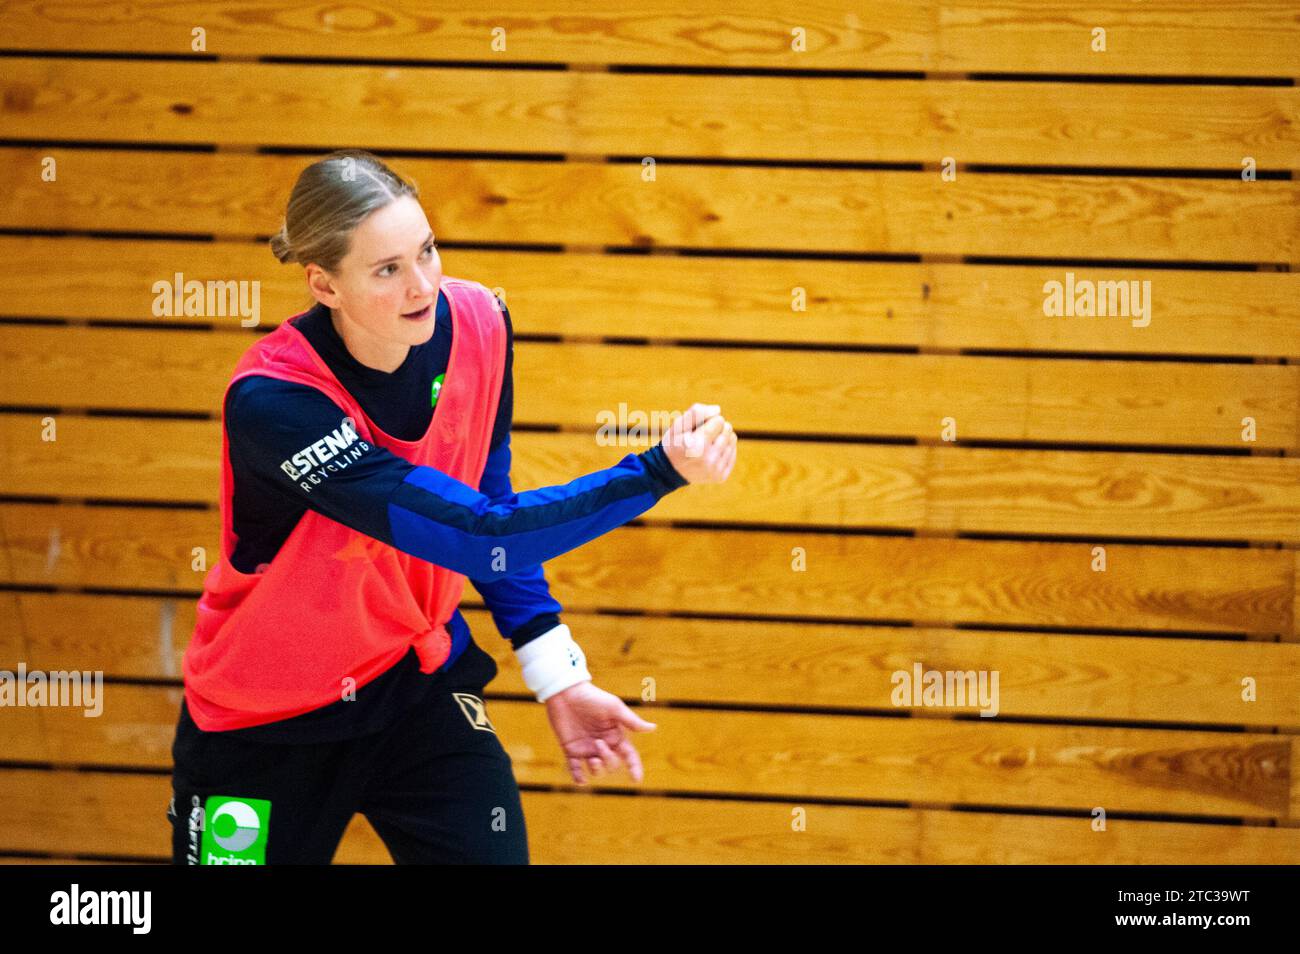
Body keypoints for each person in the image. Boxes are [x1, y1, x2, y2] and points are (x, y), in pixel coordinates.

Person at [166, 148, 738, 865]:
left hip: (414, 690)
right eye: (387, 270)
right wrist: (655, 472)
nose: (423, 285)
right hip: (266, 721)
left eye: (427, 251)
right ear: (324, 284)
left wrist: (557, 674)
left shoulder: (479, 322)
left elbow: (485, 498)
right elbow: (479, 537)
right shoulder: (278, 403)